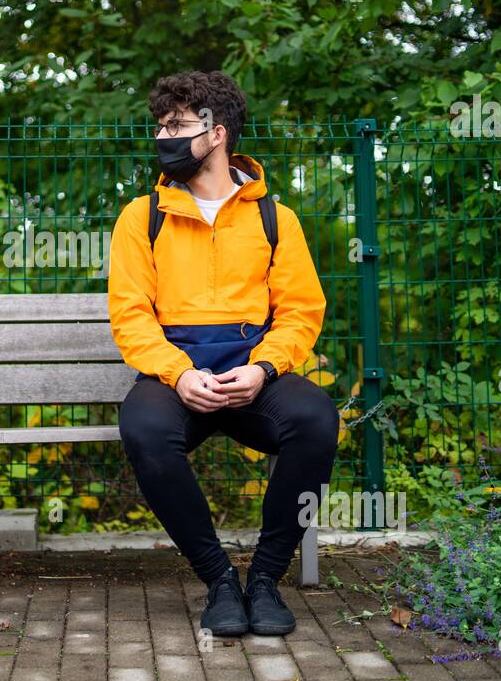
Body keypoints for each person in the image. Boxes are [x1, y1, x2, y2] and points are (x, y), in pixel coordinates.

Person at [108, 70, 339, 637]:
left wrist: (262, 369)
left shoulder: (274, 218)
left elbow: (301, 313)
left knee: (316, 419)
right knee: (143, 430)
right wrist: (179, 374)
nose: (163, 136)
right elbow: (131, 315)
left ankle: (264, 581)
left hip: (251, 376)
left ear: (216, 134)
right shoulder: (142, 216)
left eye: (177, 125)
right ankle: (218, 582)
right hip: (174, 379)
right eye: (160, 125)